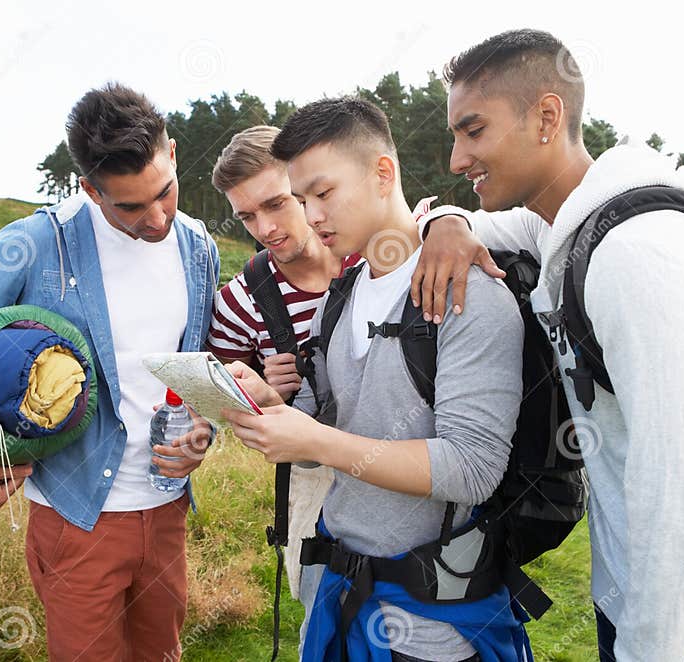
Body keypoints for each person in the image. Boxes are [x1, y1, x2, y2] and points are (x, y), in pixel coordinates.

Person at [416, 28, 684, 661]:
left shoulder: (635, 258)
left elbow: (677, 494)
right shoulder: (571, 225)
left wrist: (650, 651)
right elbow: (484, 222)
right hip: (643, 603)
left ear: (546, 117)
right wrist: (444, 221)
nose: (456, 159)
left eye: (473, 131)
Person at [0, 82, 217, 661]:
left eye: (165, 192)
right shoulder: (37, 244)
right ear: (89, 188)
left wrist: (203, 430)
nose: (157, 217)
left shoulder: (198, 246)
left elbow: (196, 368)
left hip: (167, 509)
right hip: (78, 518)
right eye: (131, 207)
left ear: (173, 152)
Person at [223, 97, 530, 662]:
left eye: (324, 193)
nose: (311, 216)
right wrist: (275, 405)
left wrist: (314, 439)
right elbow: (324, 437)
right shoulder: (337, 301)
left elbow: (473, 469)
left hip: (431, 622)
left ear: (382, 173)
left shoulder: (469, 295)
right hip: (337, 598)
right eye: (301, 199)